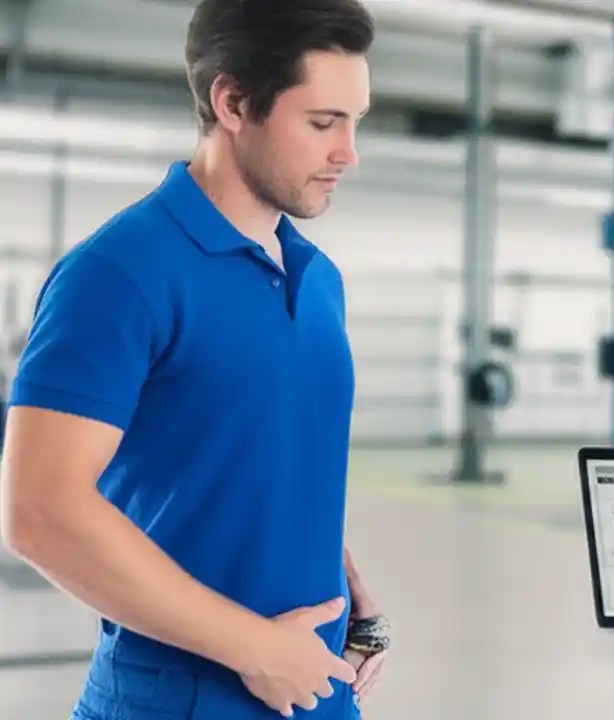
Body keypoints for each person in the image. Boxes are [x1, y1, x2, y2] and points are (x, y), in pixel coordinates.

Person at [0, 1, 389, 717]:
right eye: (323, 122)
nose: (349, 153)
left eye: (355, 121)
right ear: (233, 101)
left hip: (315, 685)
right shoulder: (119, 273)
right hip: (179, 698)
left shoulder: (319, 278)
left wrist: (340, 579)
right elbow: (38, 512)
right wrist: (256, 647)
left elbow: (248, 458)